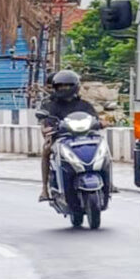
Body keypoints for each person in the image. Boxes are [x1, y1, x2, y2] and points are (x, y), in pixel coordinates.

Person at [38, 70, 98, 201]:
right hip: (61, 138)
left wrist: (101, 123)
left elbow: (95, 118)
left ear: (75, 86)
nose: (63, 88)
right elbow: (45, 123)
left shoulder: (84, 105)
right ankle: (44, 189)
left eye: (67, 85)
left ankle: (109, 182)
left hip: (84, 137)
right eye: (60, 86)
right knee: (46, 150)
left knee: (102, 146)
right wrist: (47, 129)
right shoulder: (50, 105)